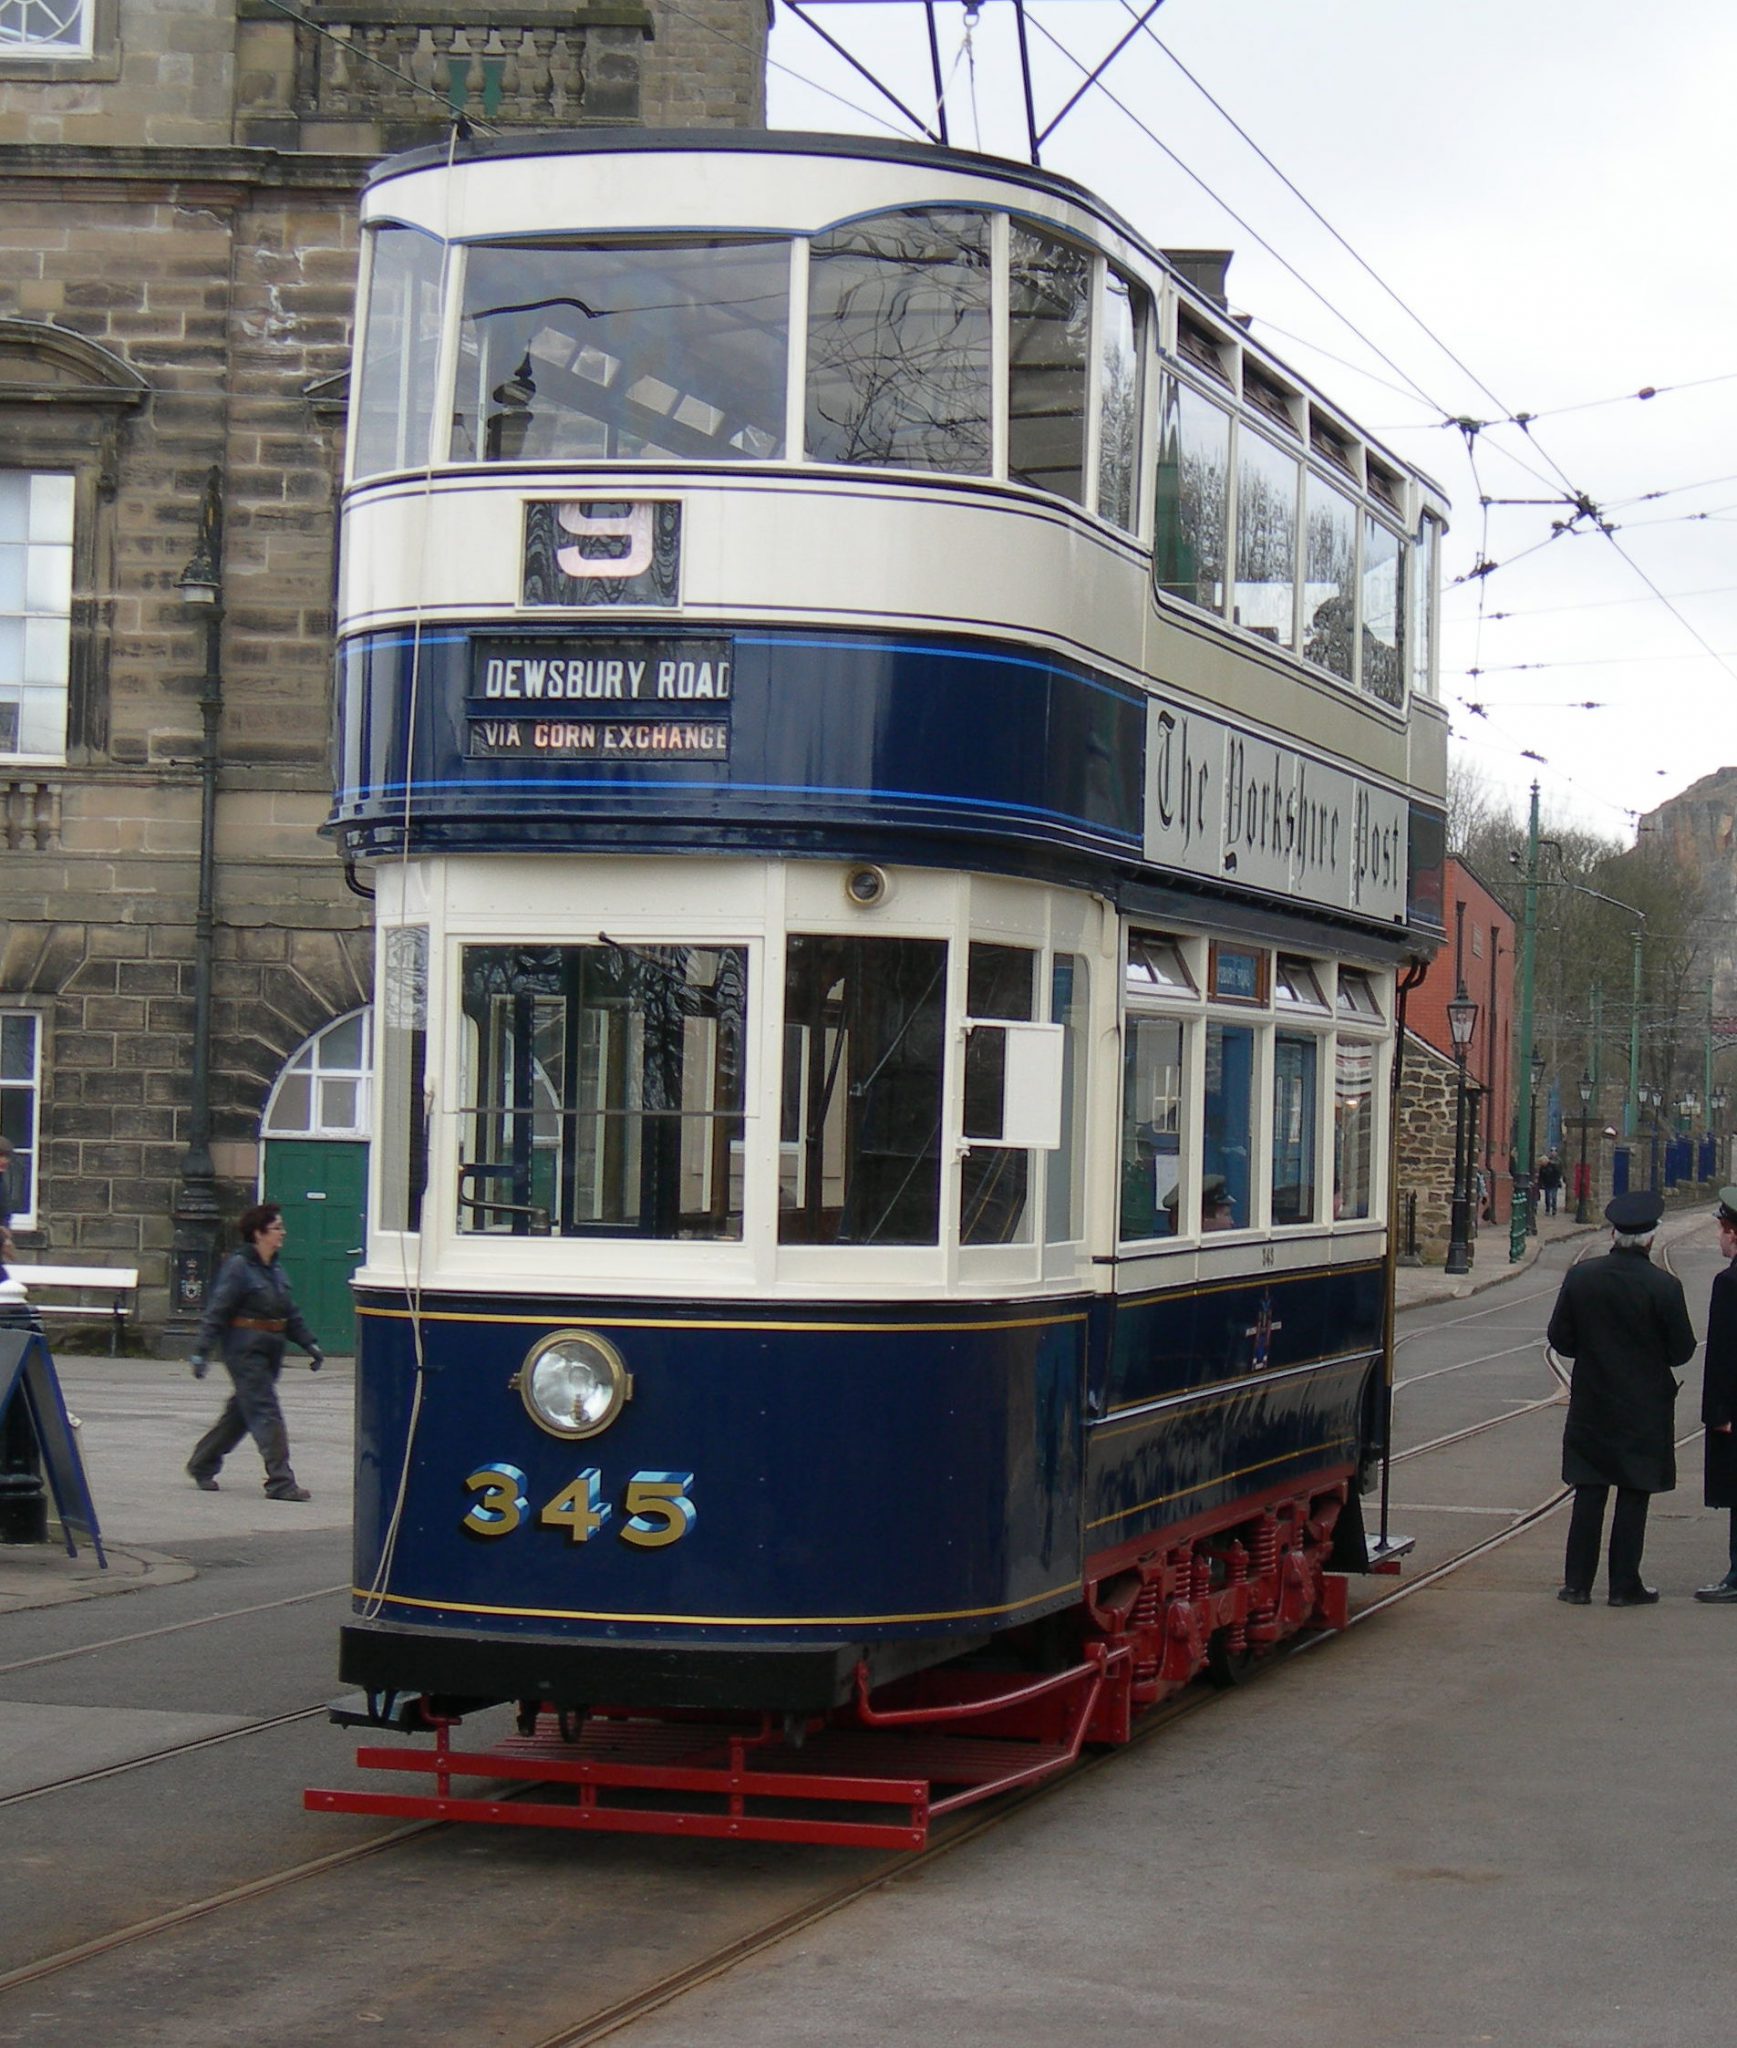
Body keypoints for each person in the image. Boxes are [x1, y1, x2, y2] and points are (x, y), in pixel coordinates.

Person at [1547, 1190, 1697, 1606]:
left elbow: (1560, 1338)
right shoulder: (1664, 1286)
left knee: (1589, 1489)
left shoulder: (1582, 1277)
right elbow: (1682, 1350)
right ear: (1651, 1238)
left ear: (1613, 1233)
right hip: (1643, 1407)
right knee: (1634, 1492)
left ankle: (1577, 1585)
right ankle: (1623, 1584)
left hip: (1593, 1401)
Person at [186, 1201, 323, 1501]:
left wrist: (309, 1343)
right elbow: (217, 1311)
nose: (283, 1233)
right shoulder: (238, 1268)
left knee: (241, 1414)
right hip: (245, 1352)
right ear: (259, 1233)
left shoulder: (275, 1270)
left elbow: (289, 1313)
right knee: (265, 1412)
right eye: (277, 1228)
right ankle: (280, 1481)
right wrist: (202, 1352)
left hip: (270, 1352)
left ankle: (202, 1463)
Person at [1694, 1186, 1737, 1602]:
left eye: (1723, 1229)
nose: (1719, 1238)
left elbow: (1723, 1354)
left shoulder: (1729, 1284)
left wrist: (1718, 1412)